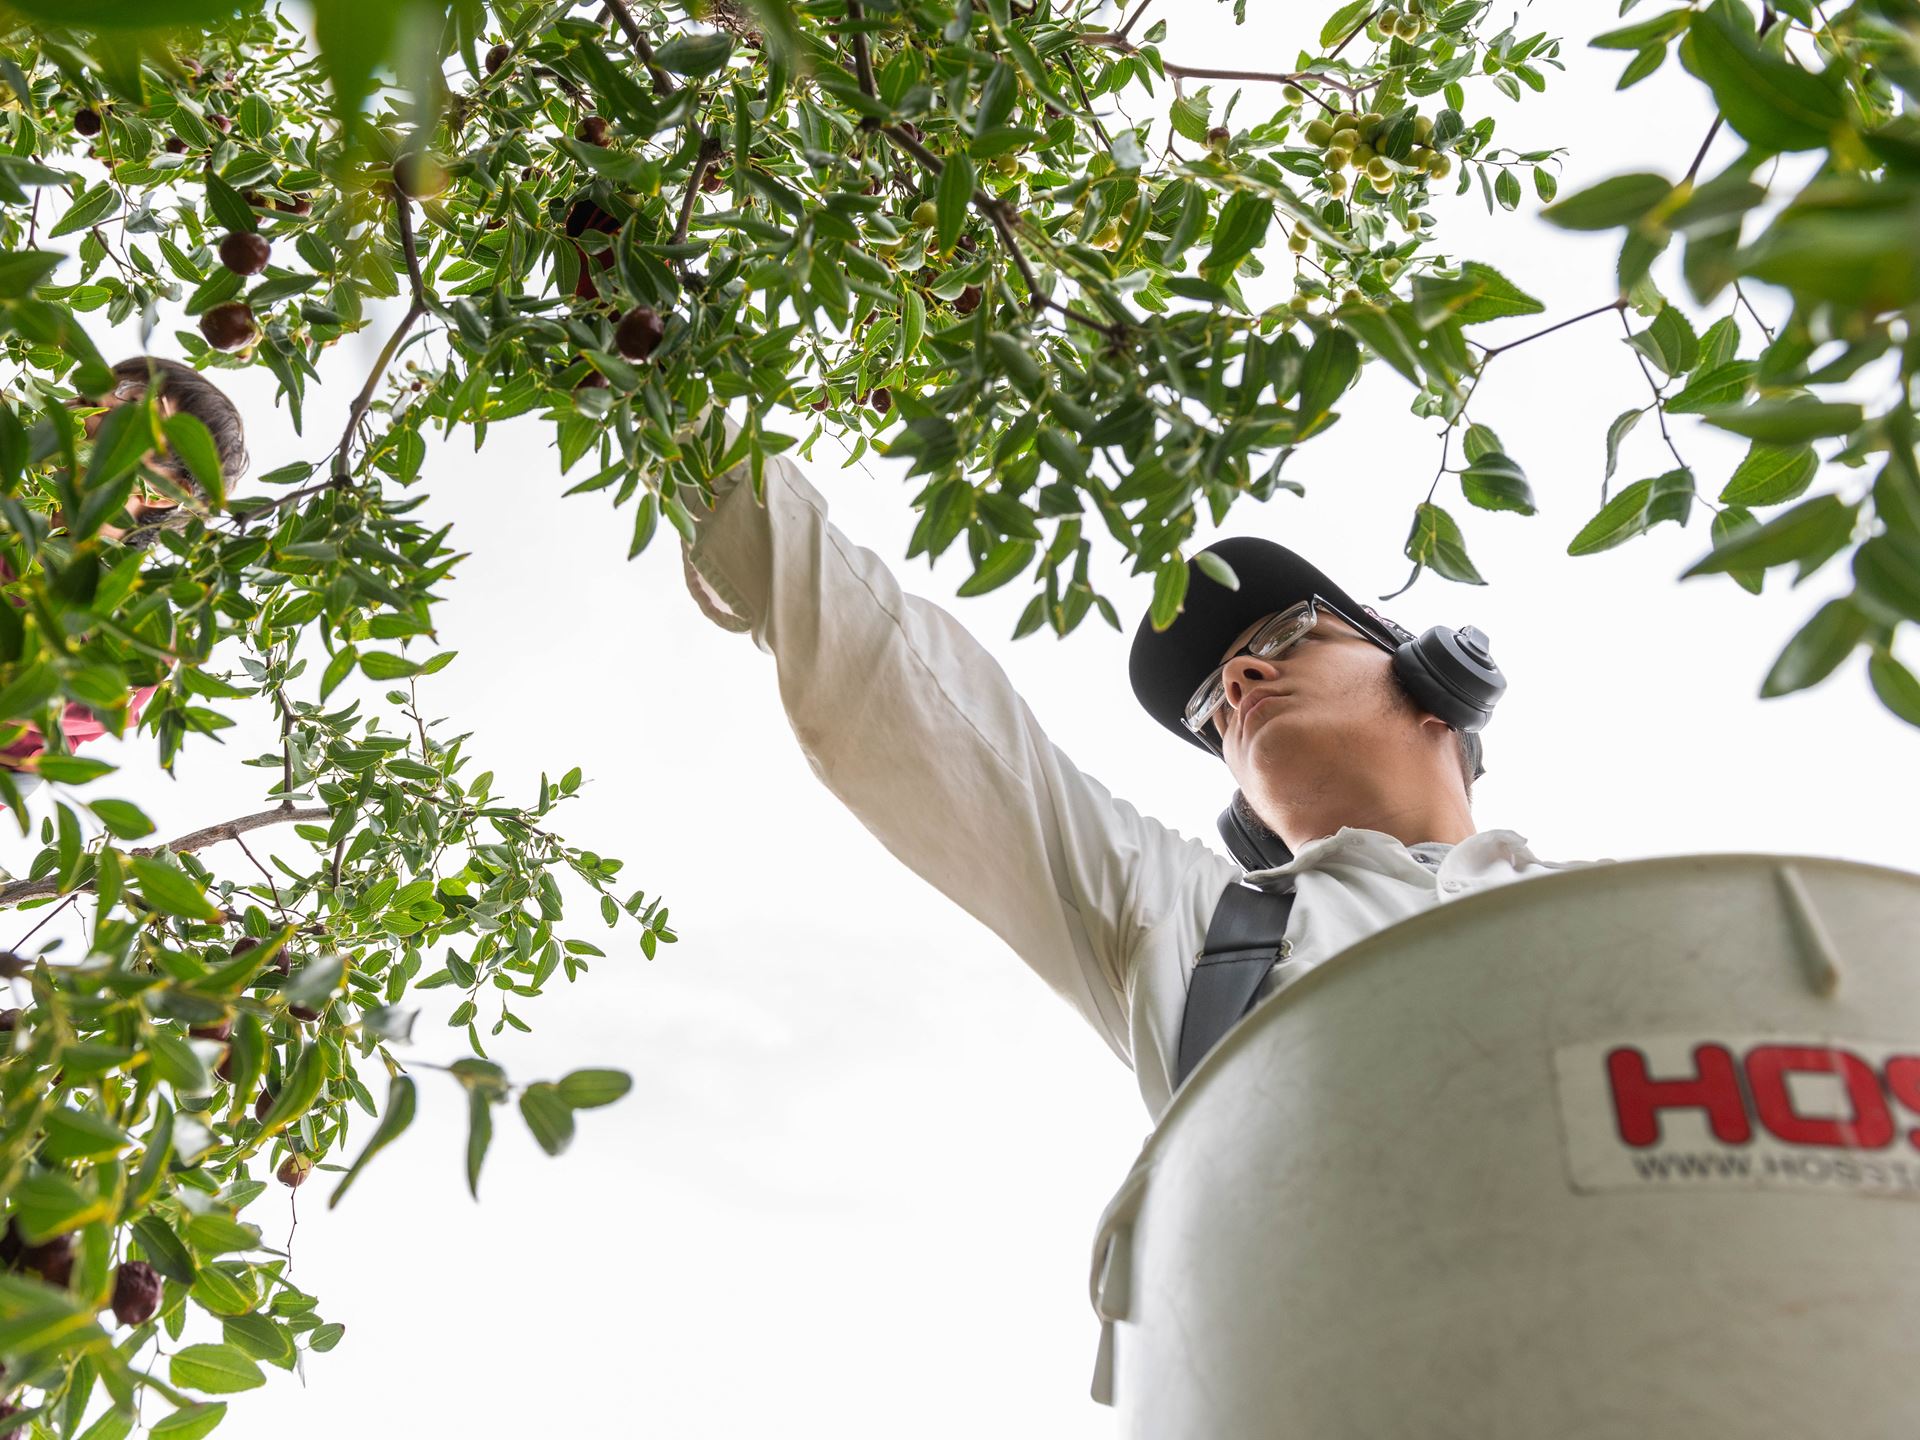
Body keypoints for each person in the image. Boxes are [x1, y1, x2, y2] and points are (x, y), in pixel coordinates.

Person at [678, 414, 1610, 1124]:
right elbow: (921, 708)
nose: (1237, 683)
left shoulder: (1630, 904)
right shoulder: (1191, 925)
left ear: (1436, 681)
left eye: (1288, 635)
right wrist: (681, 423)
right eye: (1211, 706)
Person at [0, 357, 249, 811]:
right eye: (99, 390)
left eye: (133, 402)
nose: (91, 403)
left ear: (166, 487)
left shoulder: (139, 638)